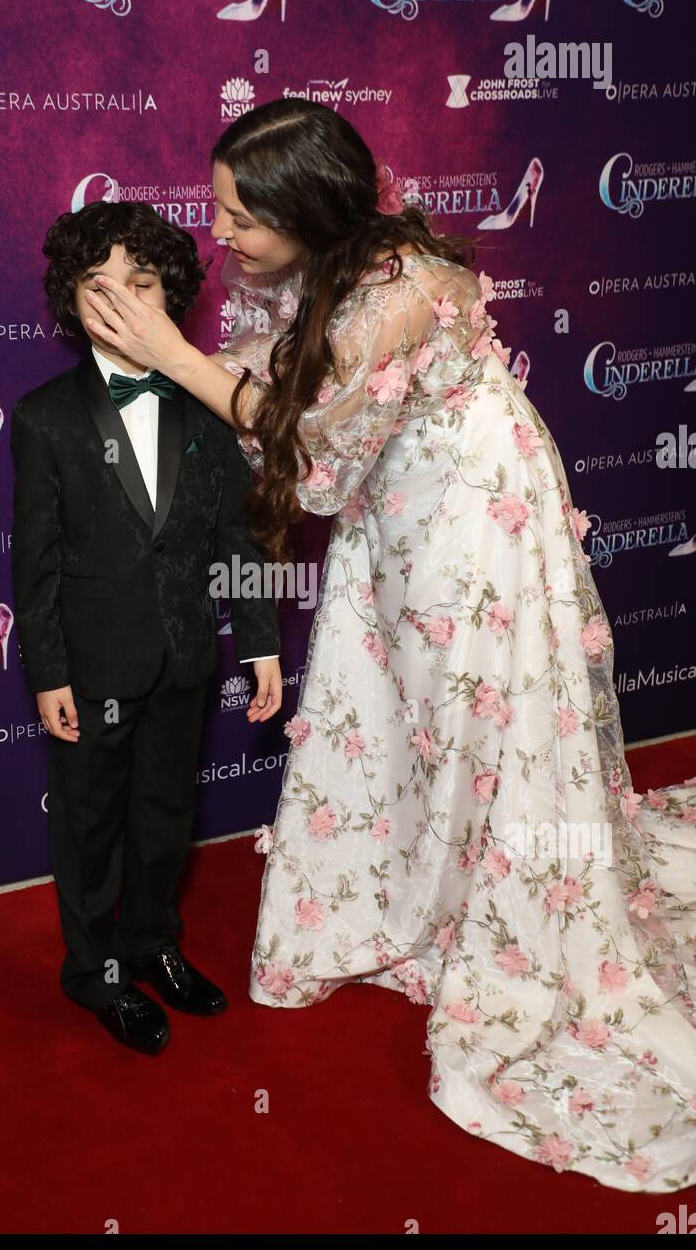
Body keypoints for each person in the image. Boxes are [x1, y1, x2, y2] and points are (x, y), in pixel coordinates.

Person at [79, 100, 696, 1192]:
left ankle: (495, 912)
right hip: (399, 518)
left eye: (236, 215)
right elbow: (281, 362)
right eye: (215, 207)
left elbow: (310, 453)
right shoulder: (336, 262)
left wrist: (170, 353)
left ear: (302, 207)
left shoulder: (398, 295)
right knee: (413, 725)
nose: (219, 232)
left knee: (476, 721)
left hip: (468, 524)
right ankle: (426, 888)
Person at [9, 200, 282, 1057]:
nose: (121, 303)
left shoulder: (209, 402)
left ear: (173, 296)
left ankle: (152, 943)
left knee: (166, 813)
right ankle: (96, 974)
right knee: (89, 824)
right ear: (69, 299)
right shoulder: (45, 416)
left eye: (142, 283)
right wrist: (47, 671)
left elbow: (237, 533)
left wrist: (262, 638)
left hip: (184, 656)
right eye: (99, 287)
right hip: (91, 663)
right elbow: (37, 561)